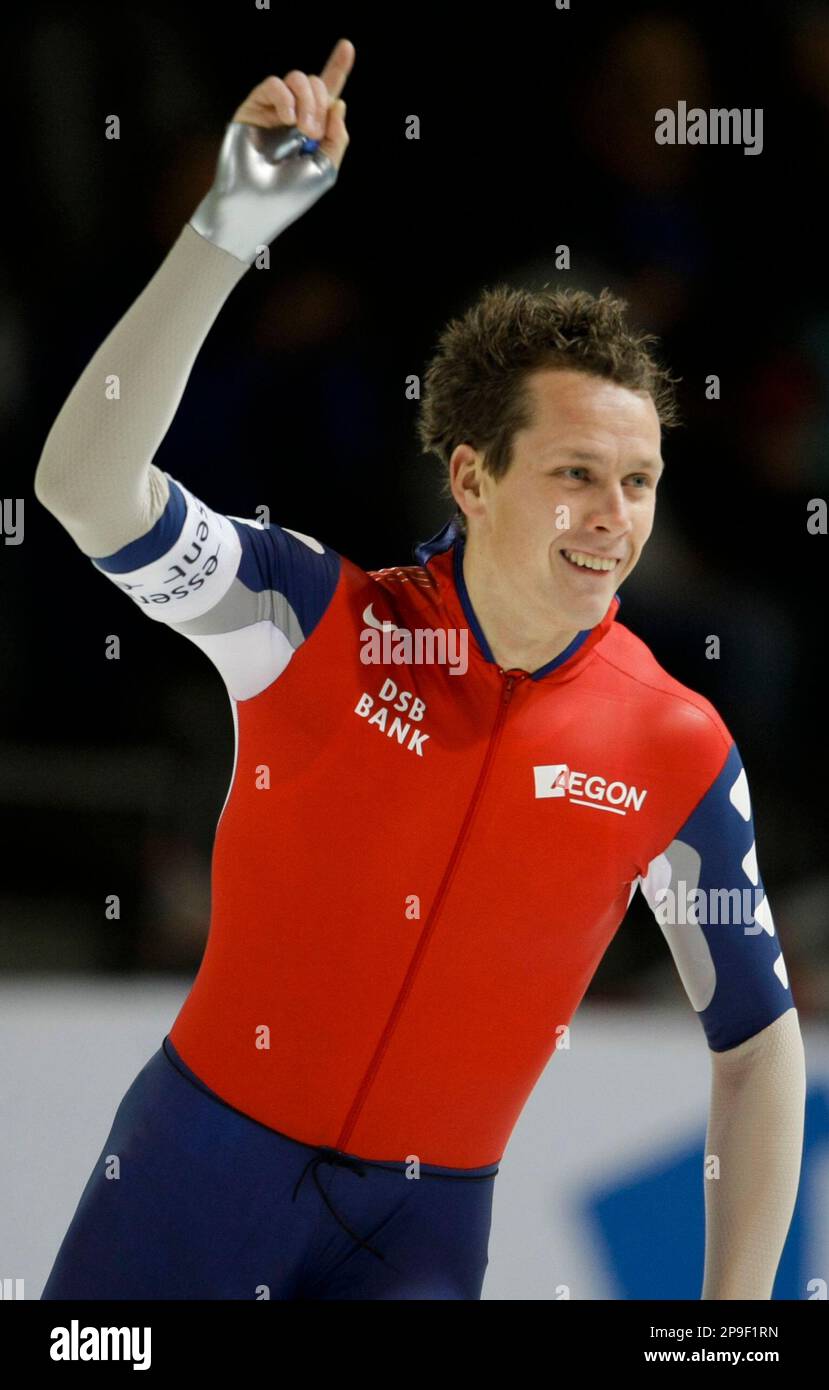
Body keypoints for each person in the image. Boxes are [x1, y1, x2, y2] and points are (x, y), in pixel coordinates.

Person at [34, 37, 805, 1301]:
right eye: (573, 474)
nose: (613, 515)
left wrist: (731, 1324)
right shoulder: (306, 617)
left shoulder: (673, 745)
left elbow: (759, 1046)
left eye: (638, 481)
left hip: (419, 1245)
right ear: (469, 475)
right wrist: (227, 229)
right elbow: (82, 488)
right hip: (187, 1185)